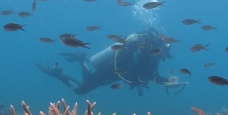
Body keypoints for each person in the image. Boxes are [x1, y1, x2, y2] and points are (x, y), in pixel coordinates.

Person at [37, 27, 186, 95]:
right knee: (80, 90)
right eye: (167, 51)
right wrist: (166, 82)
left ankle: (81, 60)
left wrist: (169, 82)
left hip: (116, 73)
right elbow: (146, 74)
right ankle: (58, 73)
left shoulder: (151, 56)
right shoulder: (148, 54)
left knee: (85, 85)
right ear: (160, 47)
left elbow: (151, 76)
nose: (168, 55)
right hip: (113, 69)